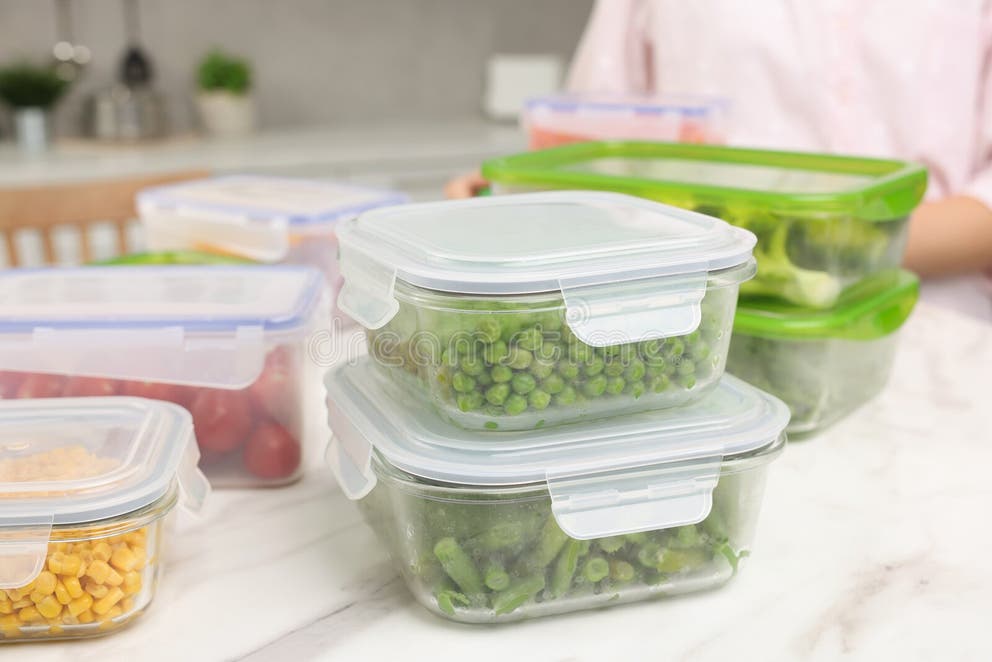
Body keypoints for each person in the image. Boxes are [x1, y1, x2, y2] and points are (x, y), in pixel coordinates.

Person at [448, 0, 992, 314]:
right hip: (694, 326)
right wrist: (521, 203)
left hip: (935, 330)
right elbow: (589, 152)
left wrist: (812, 249)